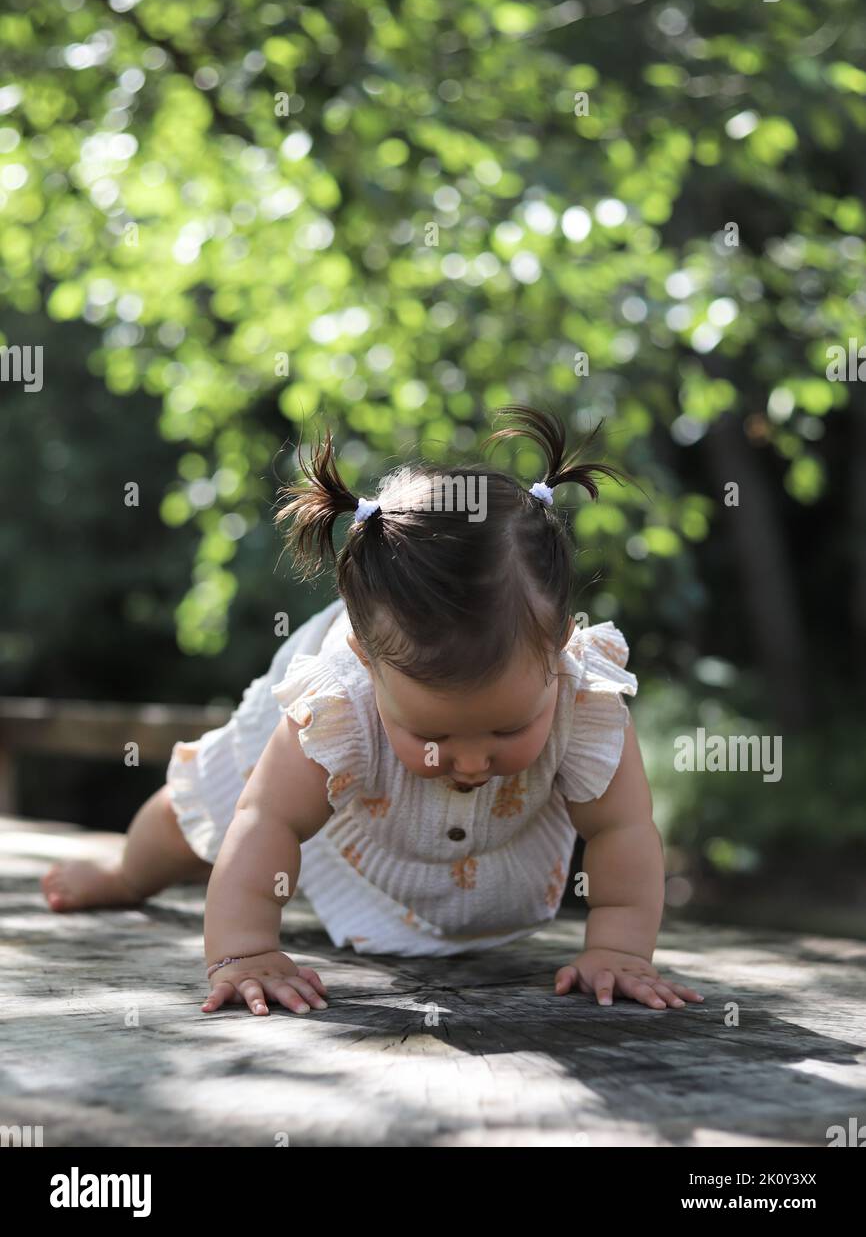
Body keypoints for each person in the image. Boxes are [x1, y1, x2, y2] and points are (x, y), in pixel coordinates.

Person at [42, 404, 703, 1018]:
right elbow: (266, 818)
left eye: (507, 729)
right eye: (434, 733)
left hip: (474, 847)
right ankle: (126, 872)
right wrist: (245, 949)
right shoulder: (340, 705)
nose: (470, 761)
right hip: (342, 775)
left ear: (560, 652)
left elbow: (622, 830)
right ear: (365, 666)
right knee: (202, 814)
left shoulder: (583, 697)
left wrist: (618, 948)